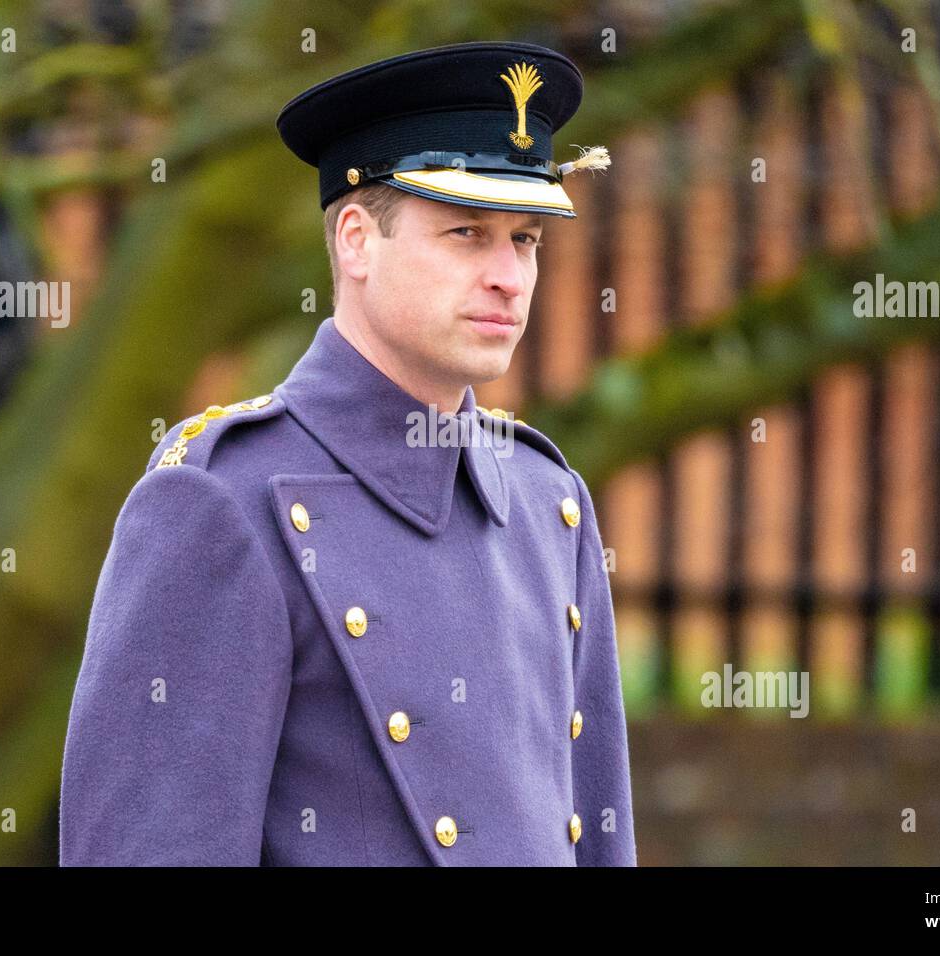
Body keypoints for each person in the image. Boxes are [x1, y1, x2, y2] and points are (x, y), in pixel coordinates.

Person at [59, 39, 635, 866]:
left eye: (526, 240)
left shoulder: (550, 502)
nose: (509, 275)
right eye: (467, 233)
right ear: (358, 241)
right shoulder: (223, 502)